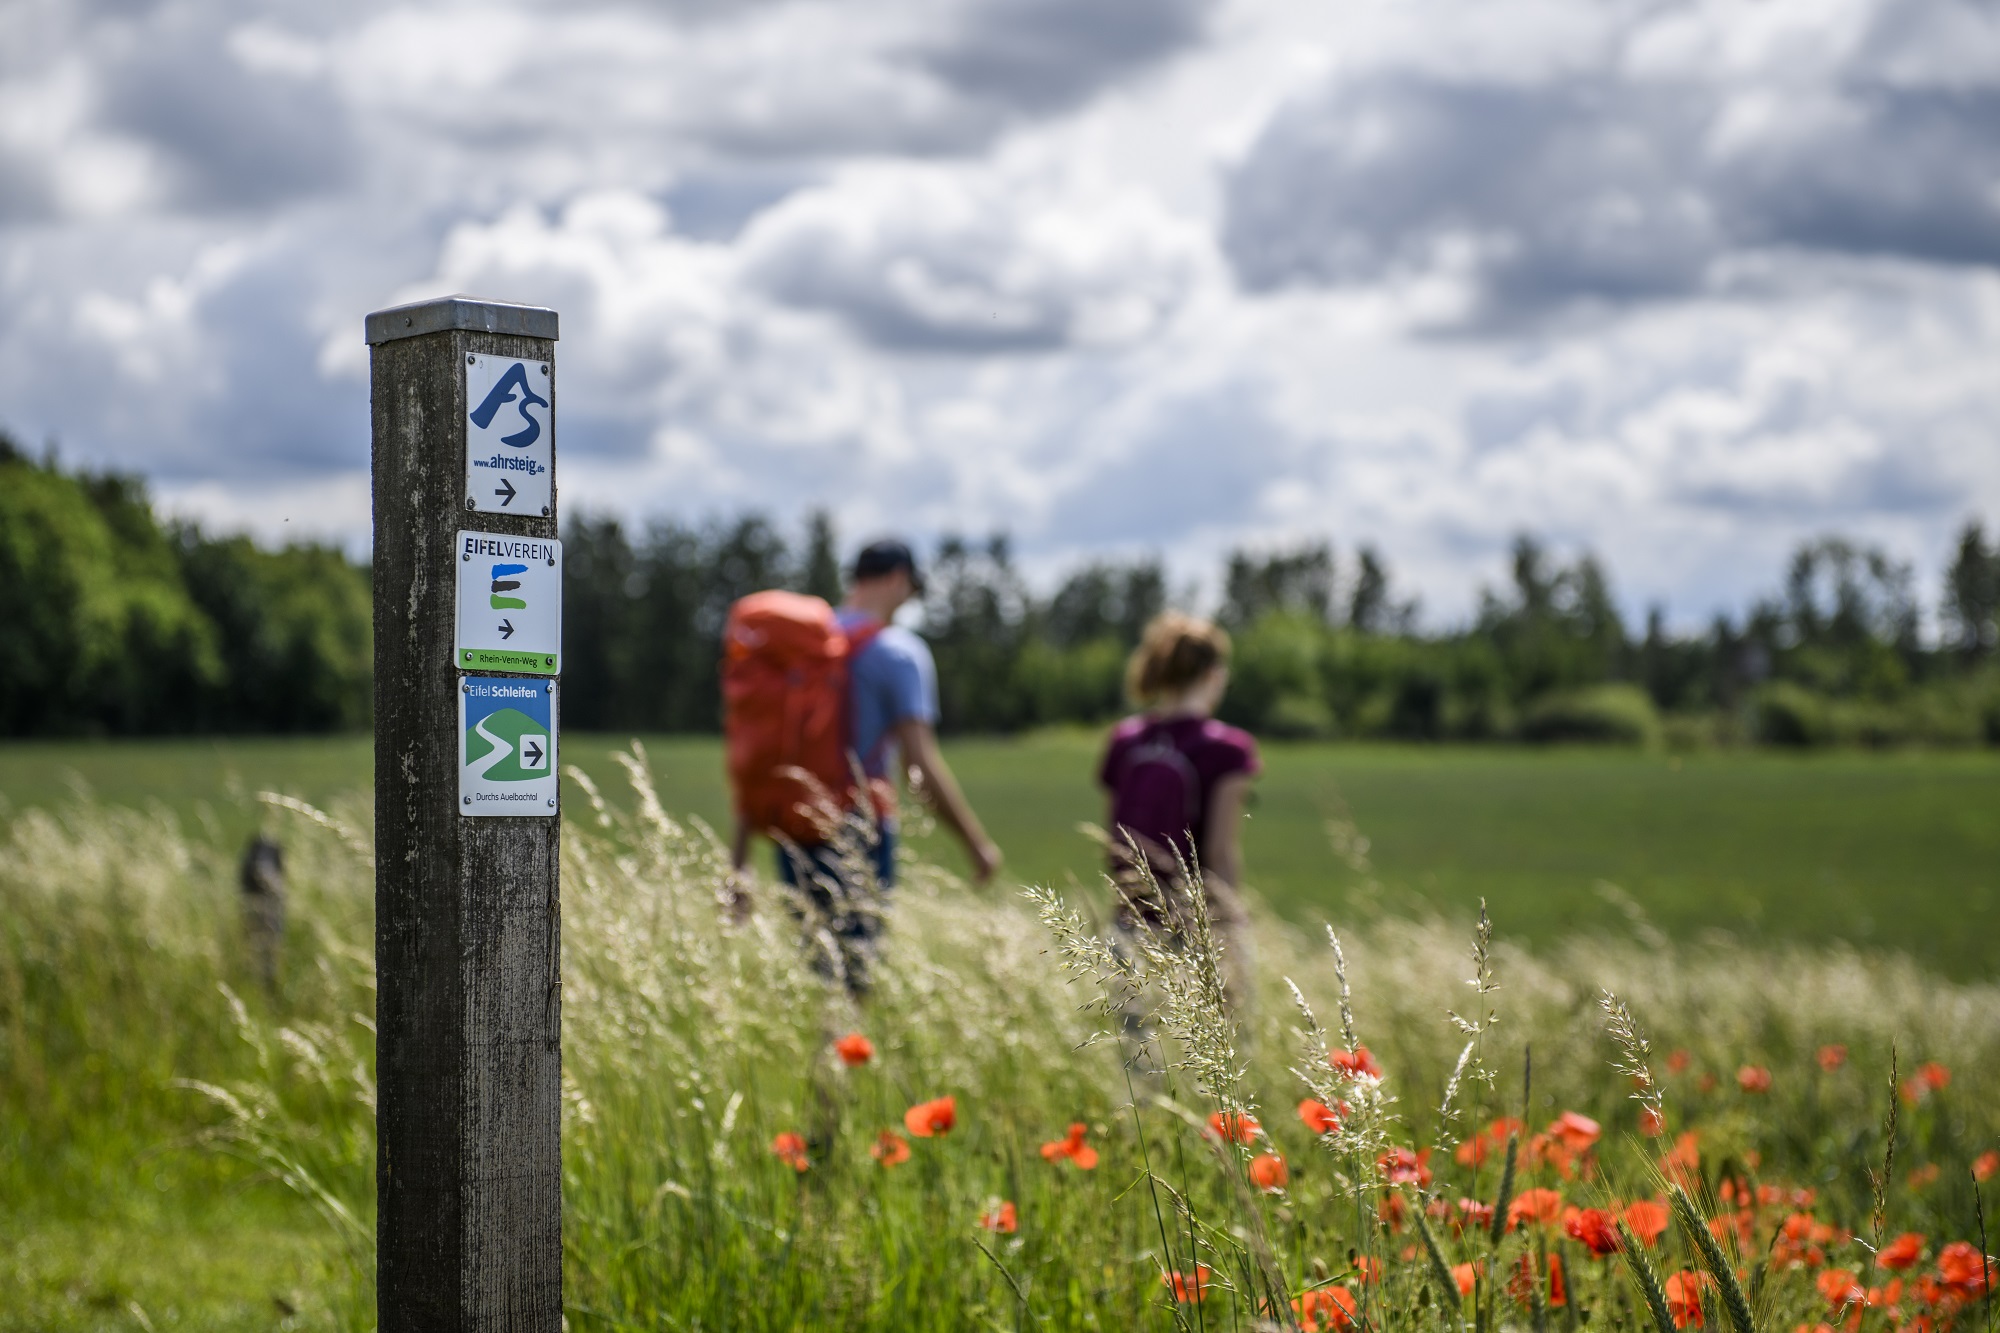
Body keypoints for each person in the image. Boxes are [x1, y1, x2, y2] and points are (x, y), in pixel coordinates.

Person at [730, 538, 1001, 995]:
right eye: (912, 592)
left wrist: (738, 863)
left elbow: (760, 755)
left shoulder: (801, 647)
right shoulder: (899, 652)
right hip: (860, 826)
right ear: (898, 579)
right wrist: (976, 844)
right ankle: (843, 1063)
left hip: (794, 823)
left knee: (820, 973)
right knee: (855, 979)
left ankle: (825, 1061)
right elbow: (919, 765)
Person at [1097, 611, 1260, 1018]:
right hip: (1196, 923)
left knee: (1140, 1066)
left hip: (1131, 918)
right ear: (1213, 673)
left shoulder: (1125, 740)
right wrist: (1230, 930)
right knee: (1217, 1059)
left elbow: (1109, 838)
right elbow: (1221, 851)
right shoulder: (1228, 749)